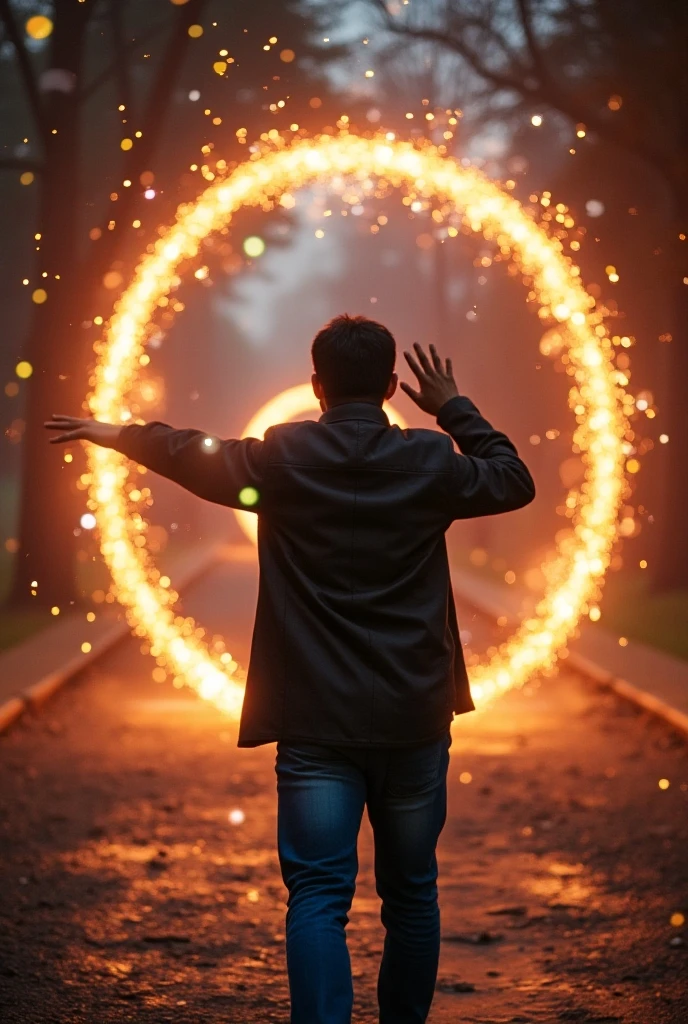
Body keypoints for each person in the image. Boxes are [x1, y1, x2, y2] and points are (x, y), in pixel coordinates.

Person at [45, 314, 535, 1024]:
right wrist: (455, 407)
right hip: (412, 716)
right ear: (396, 387)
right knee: (413, 893)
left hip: (314, 719)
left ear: (315, 387)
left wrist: (117, 433)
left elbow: (191, 452)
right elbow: (514, 480)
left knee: (316, 895)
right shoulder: (432, 462)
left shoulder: (280, 459)